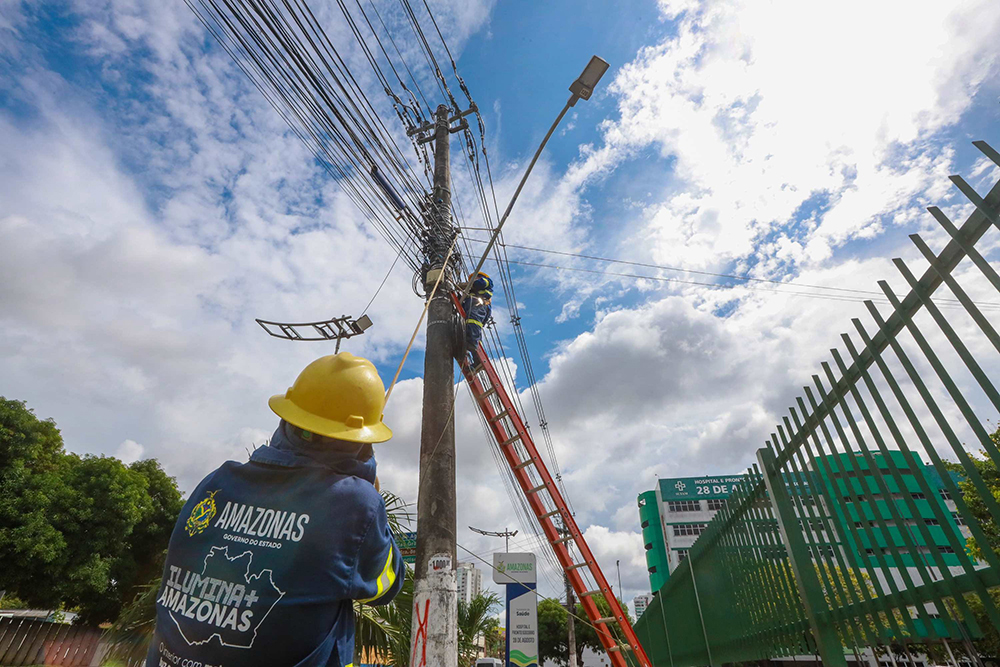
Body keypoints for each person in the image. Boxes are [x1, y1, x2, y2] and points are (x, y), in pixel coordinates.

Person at [146, 352, 404, 667]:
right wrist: (364, 478)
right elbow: (384, 586)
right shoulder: (354, 503)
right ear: (359, 442)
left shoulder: (216, 482)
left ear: (288, 419)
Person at [461, 270, 494, 363]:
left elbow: (481, 283)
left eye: (474, 278)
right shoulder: (470, 292)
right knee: (470, 328)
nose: (472, 280)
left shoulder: (487, 281)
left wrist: (469, 284)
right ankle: (477, 359)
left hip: (479, 305)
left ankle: (473, 345)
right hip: (473, 307)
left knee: (473, 322)